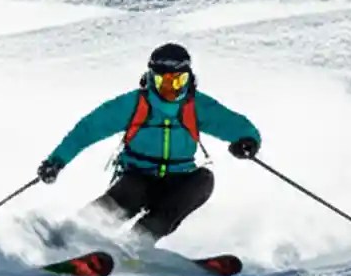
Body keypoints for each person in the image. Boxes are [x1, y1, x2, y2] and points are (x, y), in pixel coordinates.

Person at [35, 43, 261, 243]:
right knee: (125, 199)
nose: (171, 89)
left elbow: (234, 125)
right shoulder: (133, 104)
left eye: (178, 81)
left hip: (178, 180)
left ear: (189, 78)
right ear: (152, 78)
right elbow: (88, 129)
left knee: (204, 180)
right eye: (164, 82)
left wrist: (247, 141)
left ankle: (138, 241)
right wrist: (57, 161)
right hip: (138, 176)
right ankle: (65, 237)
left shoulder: (197, 106)